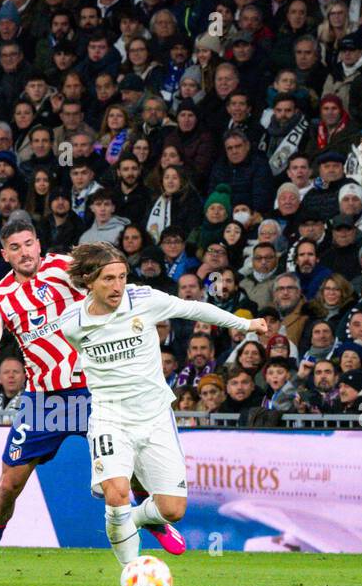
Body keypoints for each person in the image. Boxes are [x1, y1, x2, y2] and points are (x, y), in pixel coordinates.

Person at [61, 242, 267, 565]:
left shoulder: (144, 300)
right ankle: (131, 572)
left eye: (122, 277)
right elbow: (75, 356)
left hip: (155, 416)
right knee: (115, 495)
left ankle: (138, 519)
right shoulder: (72, 322)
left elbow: (195, 308)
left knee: (173, 509)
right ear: (89, 281)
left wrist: (245, 324)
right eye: (108, 279)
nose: (118, 286)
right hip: (109, 417)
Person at [0, 212, 94, 586]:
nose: (24, 252)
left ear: (39, 244)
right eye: (15, 248)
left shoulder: (66, 267)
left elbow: (107, 280)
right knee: (9, 485)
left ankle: (155, 518)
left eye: (29, 244)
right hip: (42, 399)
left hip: (89, 388)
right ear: (5, 254)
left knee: (121, 466)